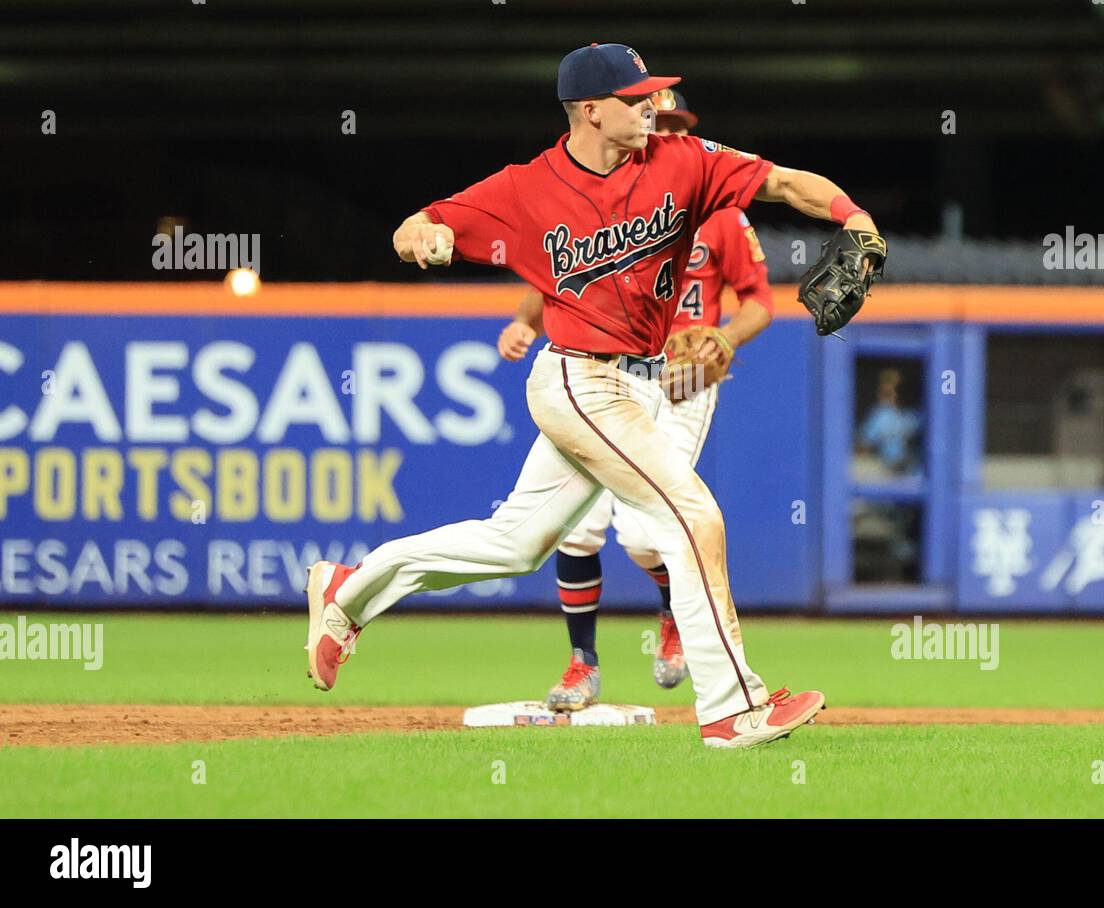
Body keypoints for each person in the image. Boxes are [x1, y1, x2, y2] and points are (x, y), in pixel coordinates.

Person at [303, 42, 883, 748]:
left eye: (652, 94)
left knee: (516, 544)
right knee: (691, 514)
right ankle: (733, 708)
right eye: (635, 98)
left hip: (637, 384)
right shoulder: (525, 190)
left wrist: (854, 217)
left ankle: (348, 591)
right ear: (588, 110)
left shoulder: (684, 160)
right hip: (579, 378)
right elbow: (413, 228)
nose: (651, 106)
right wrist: (421, 237)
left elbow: (787, 185)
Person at [495, 88, 774, 711]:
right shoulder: (600, 201)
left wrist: (722, 340)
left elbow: (760, 300)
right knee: (575, 528)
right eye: (652, 116)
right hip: (605, 373)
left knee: (647, 536)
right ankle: (581, 664)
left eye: (671, 121)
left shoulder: (720, 210)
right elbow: (555, 281)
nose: (659, 129)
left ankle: (676, 614)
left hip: (680, 376)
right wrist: (522, 321)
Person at [857, 368, 921, 476]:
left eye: (889, 392)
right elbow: (864, 443)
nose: (884, 397)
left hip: (915, 473)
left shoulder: (916, 415)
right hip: (887, 473)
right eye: (882, 392)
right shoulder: (880, 414)